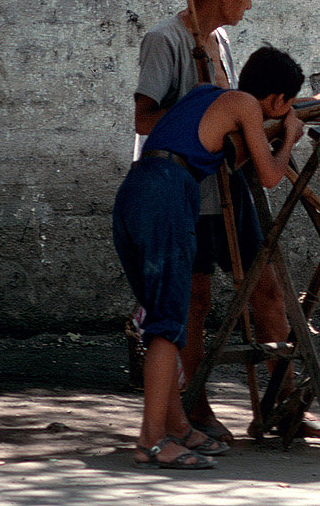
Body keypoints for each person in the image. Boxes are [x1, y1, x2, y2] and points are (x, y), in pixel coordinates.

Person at [133, 0, 298, 442]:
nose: (248, 6)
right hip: (183, 192)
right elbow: (144, 120)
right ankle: (193, 403)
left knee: (265, 288)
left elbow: (235, 111)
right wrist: (202, 116)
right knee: (194, 301)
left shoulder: (220, 41)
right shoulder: (165, 39)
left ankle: (281, 402)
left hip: (229, 186)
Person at [115, 46, 306, 469]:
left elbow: (224, 152)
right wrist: (289, 133)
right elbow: (271, 177)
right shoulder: (244, 105)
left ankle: (177, 427)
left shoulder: (208, 92)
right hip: (168, 194)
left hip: (137, 189)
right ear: (276, 101)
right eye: (285, 105)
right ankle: (151, 441)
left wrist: (269, 132)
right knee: (168, 323)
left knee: (160, 317)